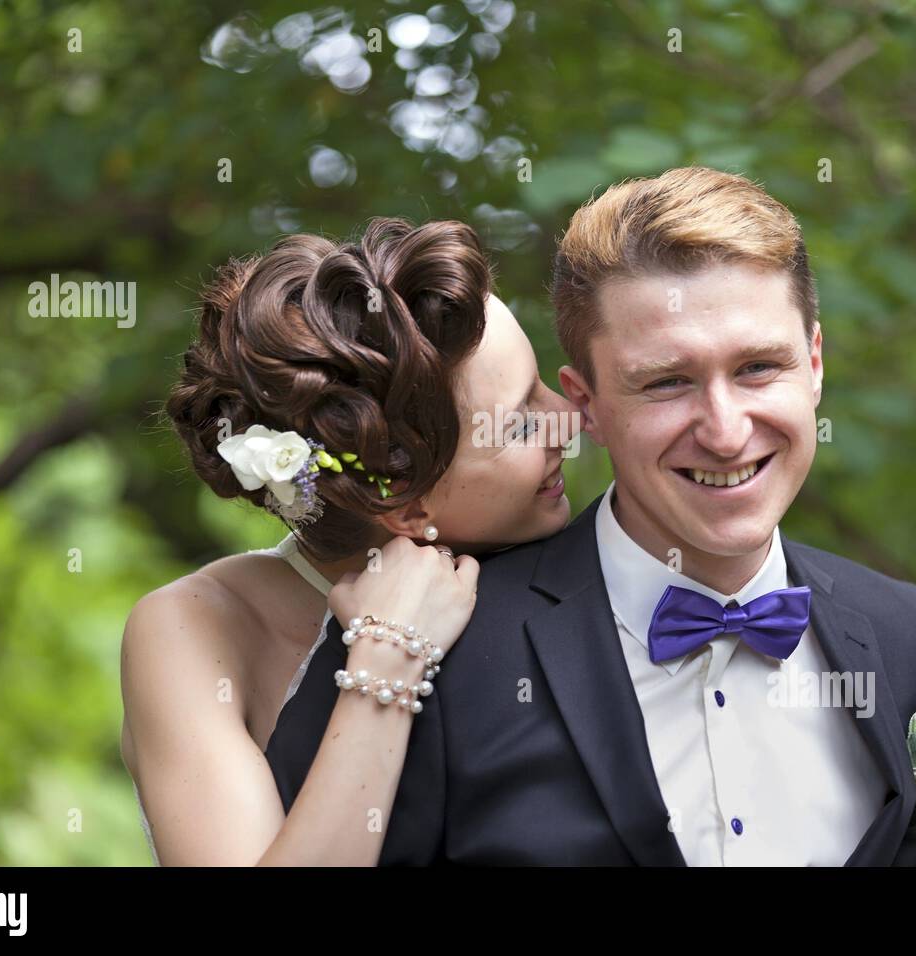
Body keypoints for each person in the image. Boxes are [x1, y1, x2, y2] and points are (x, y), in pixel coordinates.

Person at [265, 167, 916, 865]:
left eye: (759, 367)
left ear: (817, 365)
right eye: (667, 383)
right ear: (586, 405)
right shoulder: (421, 649)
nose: (726, 430)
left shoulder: (905, 632)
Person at [120, 217, 575, 865]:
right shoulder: (192, 630)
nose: (570, 420)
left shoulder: (562, 584)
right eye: (523, 421)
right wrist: (386, 661)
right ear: (403, 498)